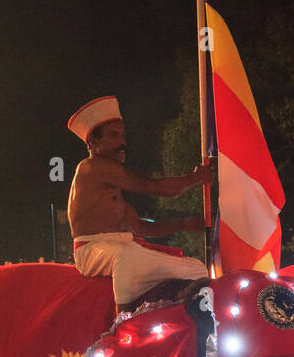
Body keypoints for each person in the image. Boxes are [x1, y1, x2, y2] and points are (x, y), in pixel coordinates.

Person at [66, 95, 211, 310]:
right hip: (91, 252)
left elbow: (142, 227)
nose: (122, 143)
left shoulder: (111, 196)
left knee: (197, 269)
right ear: (93, 141)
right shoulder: (91, 167)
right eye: (114, 136)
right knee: (126, 255)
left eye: (123, 135)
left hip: (122, 249)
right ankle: (123, 320)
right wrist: (194, 179)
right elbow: (153, 187)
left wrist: (183, 224)